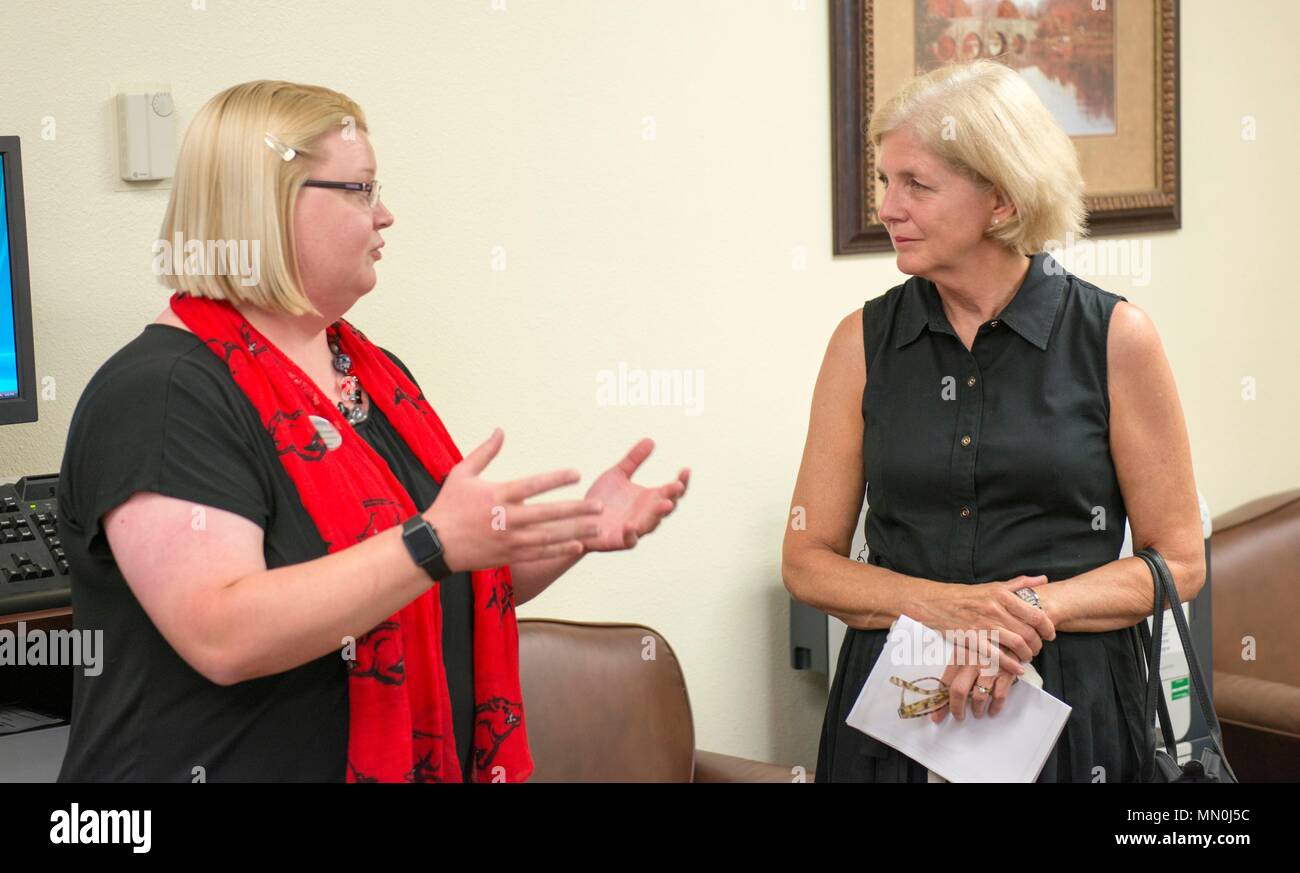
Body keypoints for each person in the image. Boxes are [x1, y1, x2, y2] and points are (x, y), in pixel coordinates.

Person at [56, 80, 689, 782]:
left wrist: (576, 529)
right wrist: (432, 540)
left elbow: (440, 577)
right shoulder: (164, 393)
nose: (384, 215)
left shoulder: (370, 373)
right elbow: (221, 631)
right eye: (359, 190)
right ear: (268, 206)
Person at [783, 60, 1203, 783]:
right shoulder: (860, 342)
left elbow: (1179, 561)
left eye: (916, 184)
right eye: (885, 181)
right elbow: (806, 561)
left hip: (1075, 710)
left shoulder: (1116, 338)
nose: (887, 207)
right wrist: (951, 608)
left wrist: (1026, 612)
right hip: (899, 711)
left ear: (1002, 202)